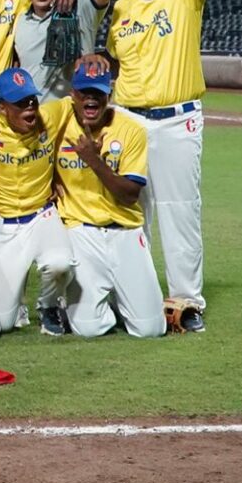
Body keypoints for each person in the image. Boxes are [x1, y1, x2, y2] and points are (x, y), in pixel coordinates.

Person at [105, 0, 216, 329]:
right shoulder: (121, 9)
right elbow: (114, 66)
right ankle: (137, 297)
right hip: (128, 120)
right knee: (130, 213)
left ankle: (187, 302)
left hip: (176, 121)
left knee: (178, 211)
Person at [54, 62, 164, 338]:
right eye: (84, 92)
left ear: (109, 95)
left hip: (125, 230)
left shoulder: (131, 130)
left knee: (150, 329)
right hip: (81, 231)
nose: (90, 99)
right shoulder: (58, 125)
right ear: (73, 95)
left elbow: (129, 195)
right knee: (88, 329)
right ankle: (86, 303)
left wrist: (94, 161)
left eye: (98, 93)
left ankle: (119, 296)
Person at [0, 68, 74, 336]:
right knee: (2, 323)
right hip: (2, 225)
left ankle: (49, 305)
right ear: (2, 108)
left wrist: (58, 174)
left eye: (32, 99)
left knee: (60, 263)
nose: (29, 107)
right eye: (20, 103)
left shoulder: (50, 116)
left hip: (42, 215)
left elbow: (79, 99)